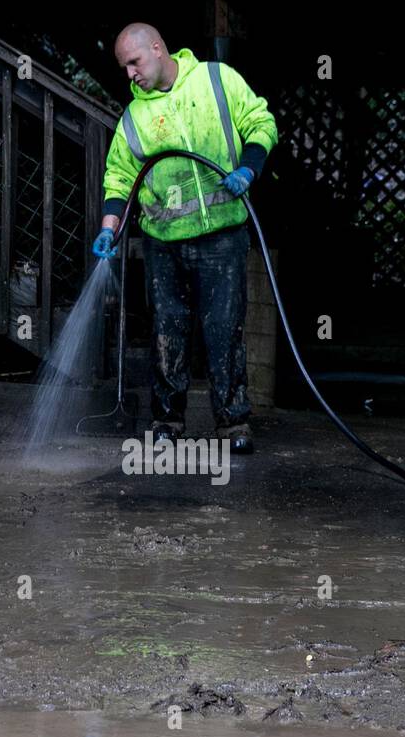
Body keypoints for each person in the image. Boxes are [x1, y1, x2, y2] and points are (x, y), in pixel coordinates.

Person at [92, 23, 277, 454]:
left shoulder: (216, 80)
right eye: (124, 68)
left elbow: (261, 121)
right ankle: (167, 422)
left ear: (157, 49)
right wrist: (109, 228)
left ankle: (233, 425)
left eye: (134, 63)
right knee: (167, 330)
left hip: (222, 235)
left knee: (222, 329)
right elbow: (119, 179)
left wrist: (249, 168)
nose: (130, 74)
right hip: (163, 242)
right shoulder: (134, 119)